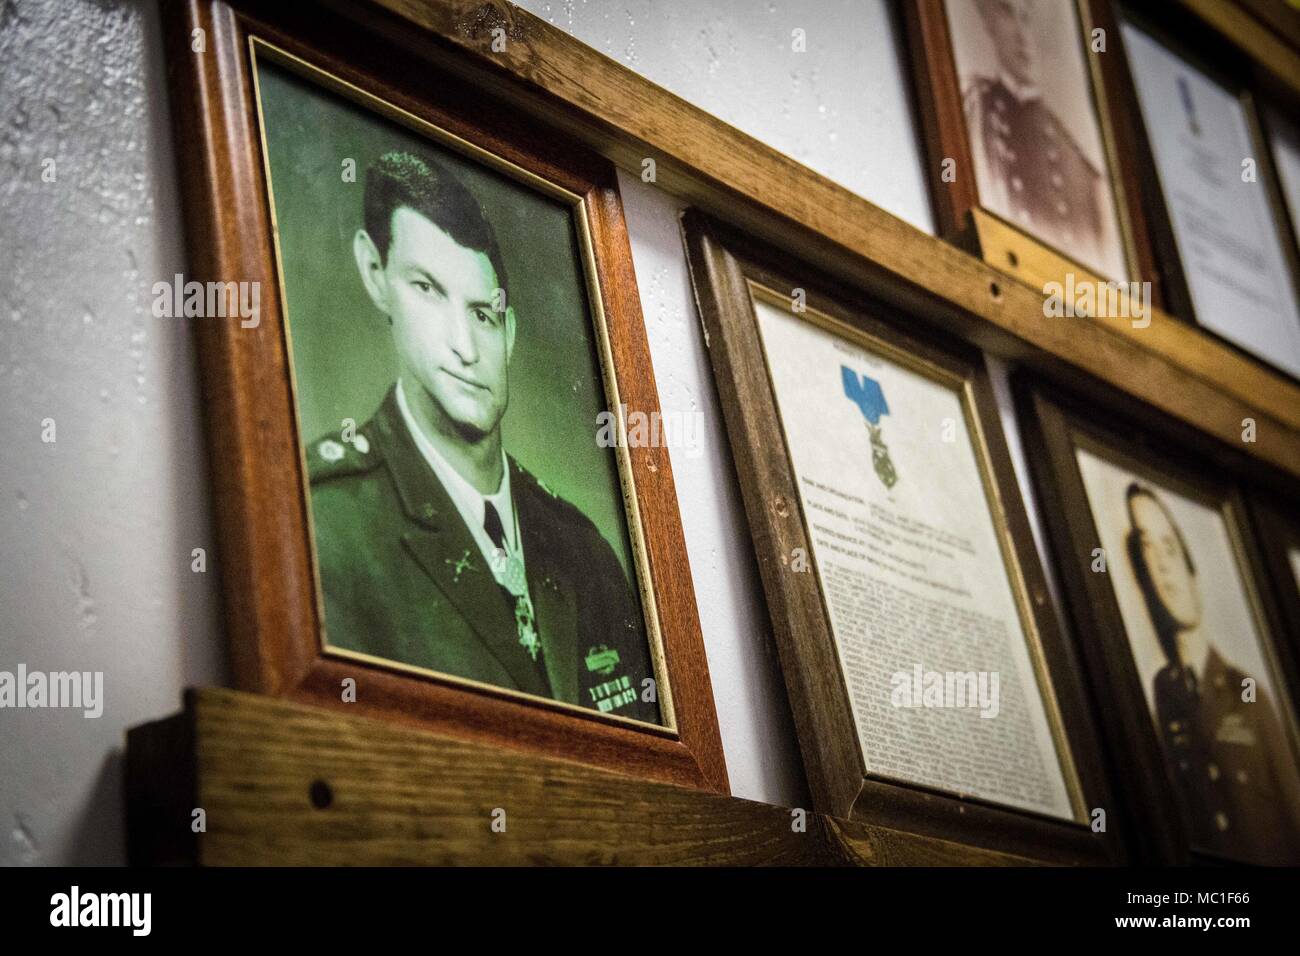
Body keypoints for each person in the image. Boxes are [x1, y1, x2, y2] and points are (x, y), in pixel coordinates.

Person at [306, 150, 657, 723]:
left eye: (483, 314)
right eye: (426, 289)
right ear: (376, 276)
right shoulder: (329, 526)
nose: (465, 349)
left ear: (511, 333)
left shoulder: (584, 551)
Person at [1126, 482, 1300, 863]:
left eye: (1169, 549)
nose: (1162, 567)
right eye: (1147, 550)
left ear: (1192, 572)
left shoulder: (1247, 693)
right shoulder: (1162, 692)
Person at [962, 0, 1118, 277]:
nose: (1023, 34)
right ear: (990, 23)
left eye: (1028, 17)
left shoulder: (1080, 164)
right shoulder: (976, 111)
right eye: (1011, 15)